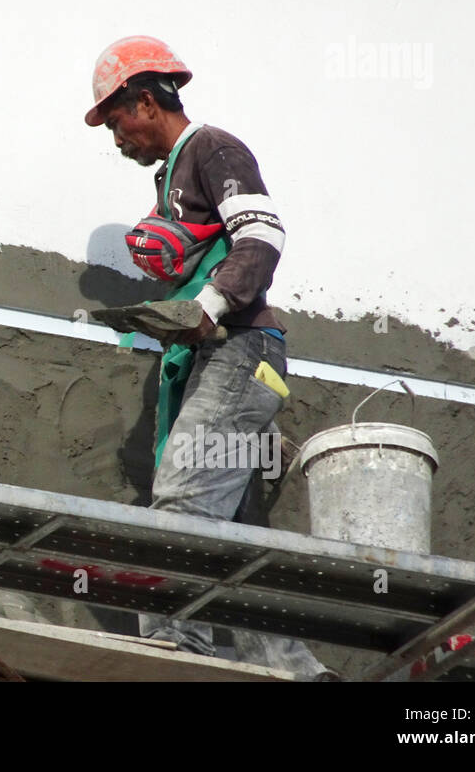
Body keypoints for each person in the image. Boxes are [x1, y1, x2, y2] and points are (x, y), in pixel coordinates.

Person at [85, 34, 333, 678]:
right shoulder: (173, 177)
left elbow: (263, 233)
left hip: (243, 347)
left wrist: (208, 307)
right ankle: (297, 672)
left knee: (181, 497)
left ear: (144, 101)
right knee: (234, 530)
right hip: (227, 361)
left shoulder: (212, 148)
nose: (116, 140)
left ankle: (176, 652)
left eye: (116, 122)